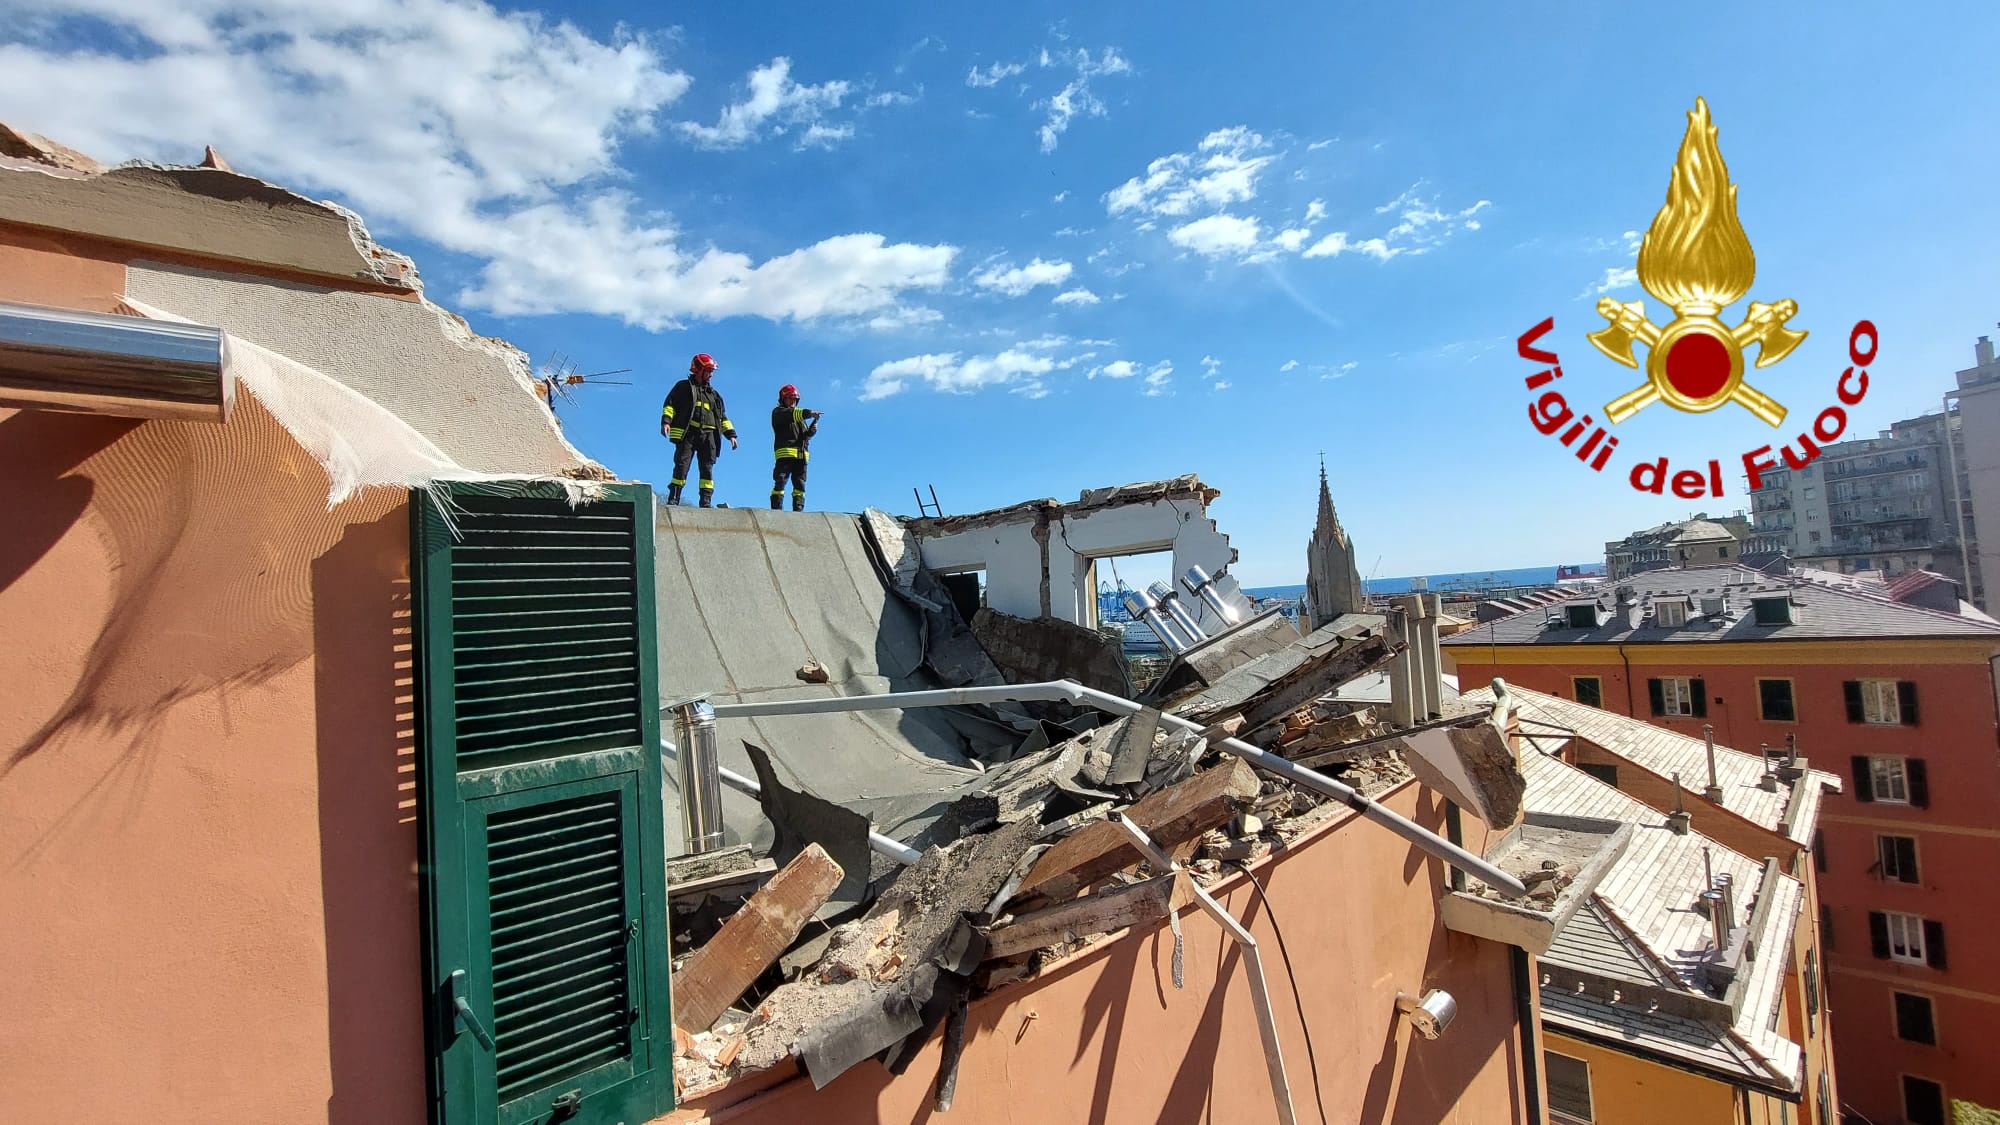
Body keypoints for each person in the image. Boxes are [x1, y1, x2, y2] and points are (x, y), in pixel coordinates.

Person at [660, 352, 737, 506]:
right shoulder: (683, 387)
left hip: (709, 436)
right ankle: (674, 498)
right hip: (688, 434)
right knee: (682, 465)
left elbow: (723, 418)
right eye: (708, 371)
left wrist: (731, 435)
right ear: (698, 370)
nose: (710, 375)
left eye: (711, 371)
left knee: (707, 469)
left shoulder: (714, 395)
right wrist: (666, 422)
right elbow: (670, 405)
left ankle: (706, 501)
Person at [769, 384, 822, 510]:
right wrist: (809, 413)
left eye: (795, 399)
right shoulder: (779, 413)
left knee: (800, 485)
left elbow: (803, 437)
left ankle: (798, 510)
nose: (793, 402)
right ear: (783, 399)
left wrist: (811, 431)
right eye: (790, 398)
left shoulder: (799, 420)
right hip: (785, 455)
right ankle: (776, 509)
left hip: (801, 457)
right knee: (780, 482)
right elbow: (792, 414)